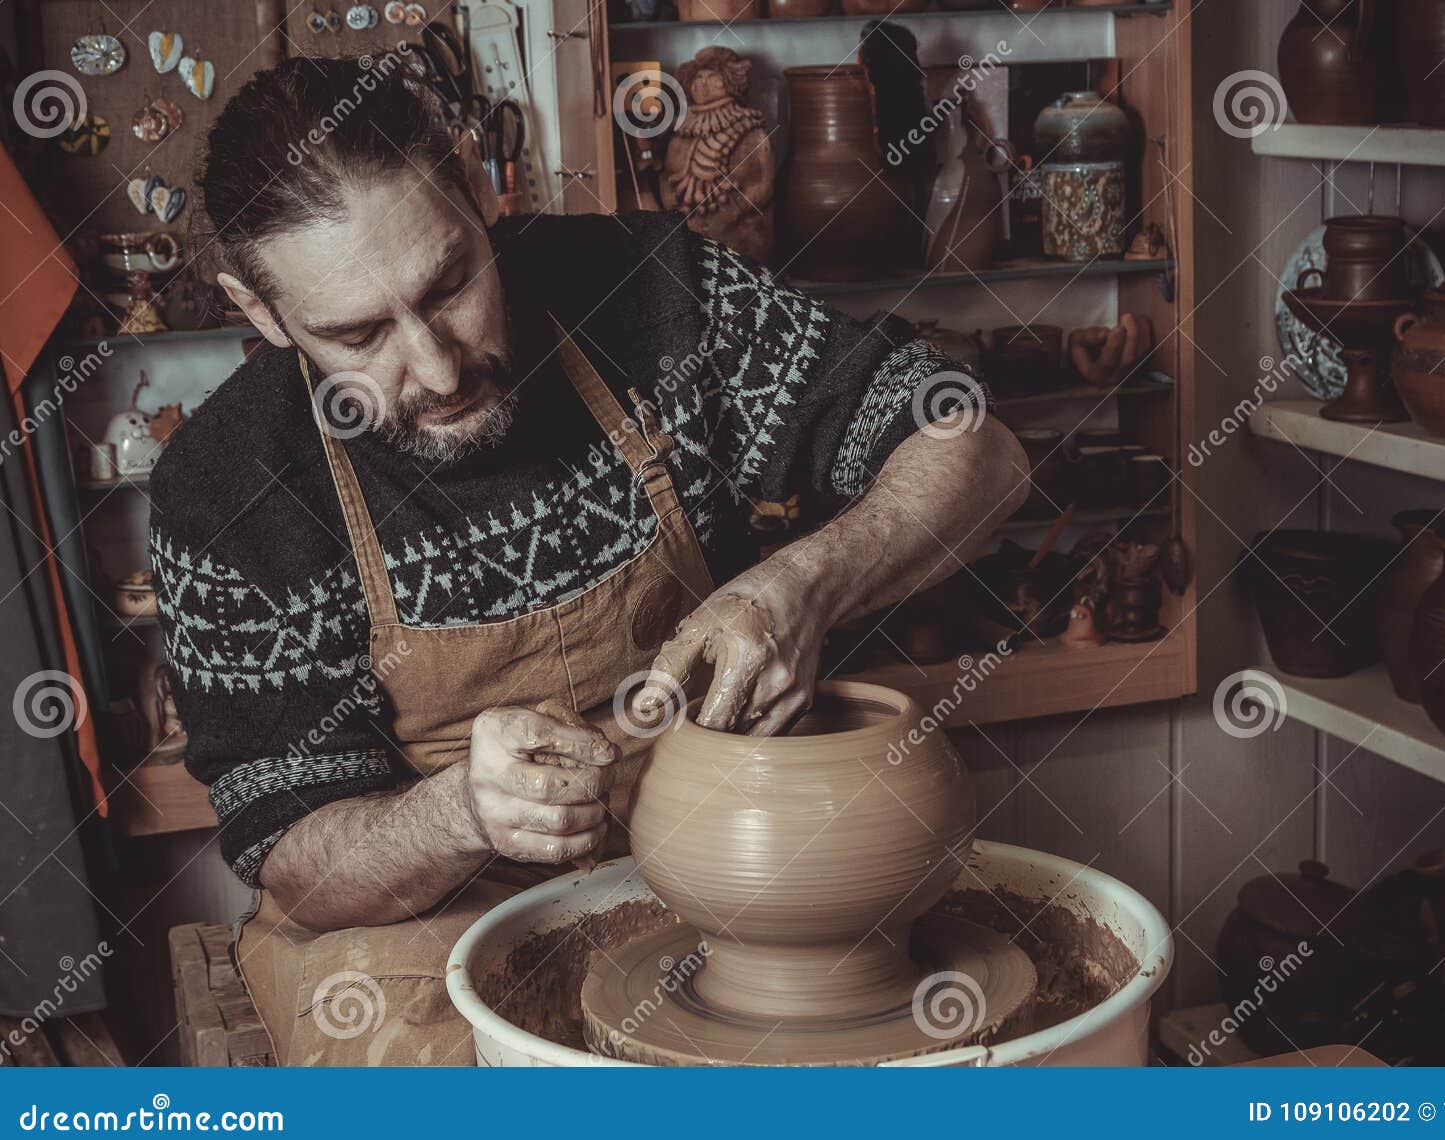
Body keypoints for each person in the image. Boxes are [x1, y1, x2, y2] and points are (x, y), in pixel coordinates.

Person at [150, 56, 1026, 1064]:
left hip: (720, 853)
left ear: (479, 192)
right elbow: (299, 860)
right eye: (356, 335)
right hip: (427, 916)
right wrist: (462, 810)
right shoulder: (228, 489)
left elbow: (976, 445)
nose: (435, 367)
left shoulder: (653, 295)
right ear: (260, 314)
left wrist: (803, 584)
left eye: (450, 283)